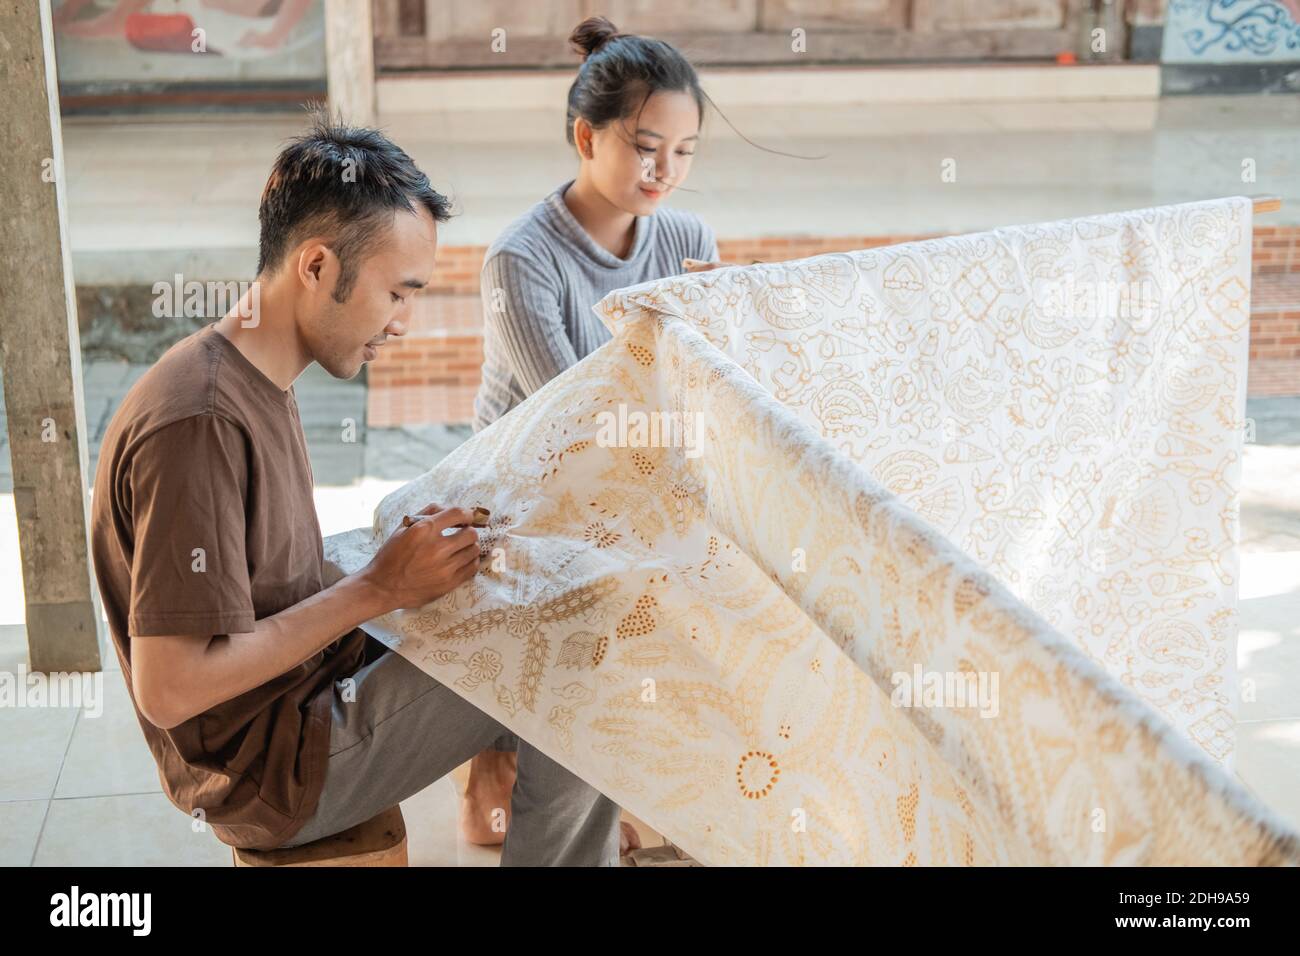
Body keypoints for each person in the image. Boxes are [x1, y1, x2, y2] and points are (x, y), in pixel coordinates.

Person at [89, 114, 623, 865]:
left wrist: (410, 567)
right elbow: (169, 689)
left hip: (306, 698)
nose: (404, 322)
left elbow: (271, 585)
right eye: (398, 294)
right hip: (275, 773)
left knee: (531, 586)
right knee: (576, 653)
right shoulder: (200, 421)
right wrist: (377, 587)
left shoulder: (251, 372)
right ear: (314, 267)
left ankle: (496, 800)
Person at [464, 15, 729, 854]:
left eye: (684, 151)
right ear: (586, 135)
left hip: (635, 476)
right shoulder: (521, 258)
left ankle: (672, 796)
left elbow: (711, 386)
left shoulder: (688, 240)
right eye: (646, 146)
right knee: (631, 597)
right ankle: (546, 785)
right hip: (529, 496)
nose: (666, 171)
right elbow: (568, 418)